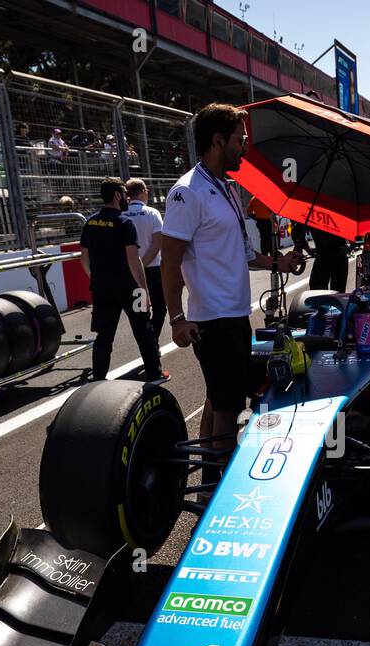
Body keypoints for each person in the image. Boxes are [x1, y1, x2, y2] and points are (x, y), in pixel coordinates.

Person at [160, 103, 302, 472]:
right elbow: (170, 261)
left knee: (217, 399)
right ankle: (219, 482)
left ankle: (209, 475)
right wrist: (176, 318)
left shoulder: (225, 188)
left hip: (236, 314)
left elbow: (242, 253)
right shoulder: (187, 192)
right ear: (218, 141)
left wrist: (278, 263)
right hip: (212, 319)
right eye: (241, 140)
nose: (246, 147)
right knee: (229, 405)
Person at [80, 177, 166, 382]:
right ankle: (155, 374)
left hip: (101, 288)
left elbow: (84, 258)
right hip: (129, 287)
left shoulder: (90, 221)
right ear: (117, 195)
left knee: (104, 335)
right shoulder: (124, 222)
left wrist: (97, 277)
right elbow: (134, 261)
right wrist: (143, 291)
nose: (127, 198)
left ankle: (98, 378)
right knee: (143, 329)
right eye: (124, 194)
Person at [123, 178, 167, 337]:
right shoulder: (152, 213)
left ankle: (148, 344)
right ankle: (152, 341)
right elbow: (158, 242)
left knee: (141, 311)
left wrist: (136, 266)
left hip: (132, 272)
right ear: (142, 192)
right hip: (153, 270)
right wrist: (144, 263)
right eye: (147, 191)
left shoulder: (122, 215)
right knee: (160, 308)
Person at [308, 226, 349, 291]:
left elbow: (357, 231)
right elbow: (297, 232)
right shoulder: (309, 216)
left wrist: (350, 247)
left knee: (338, 294)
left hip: (339, 256)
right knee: (317, 293)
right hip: (322, 257)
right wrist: (307, 248)